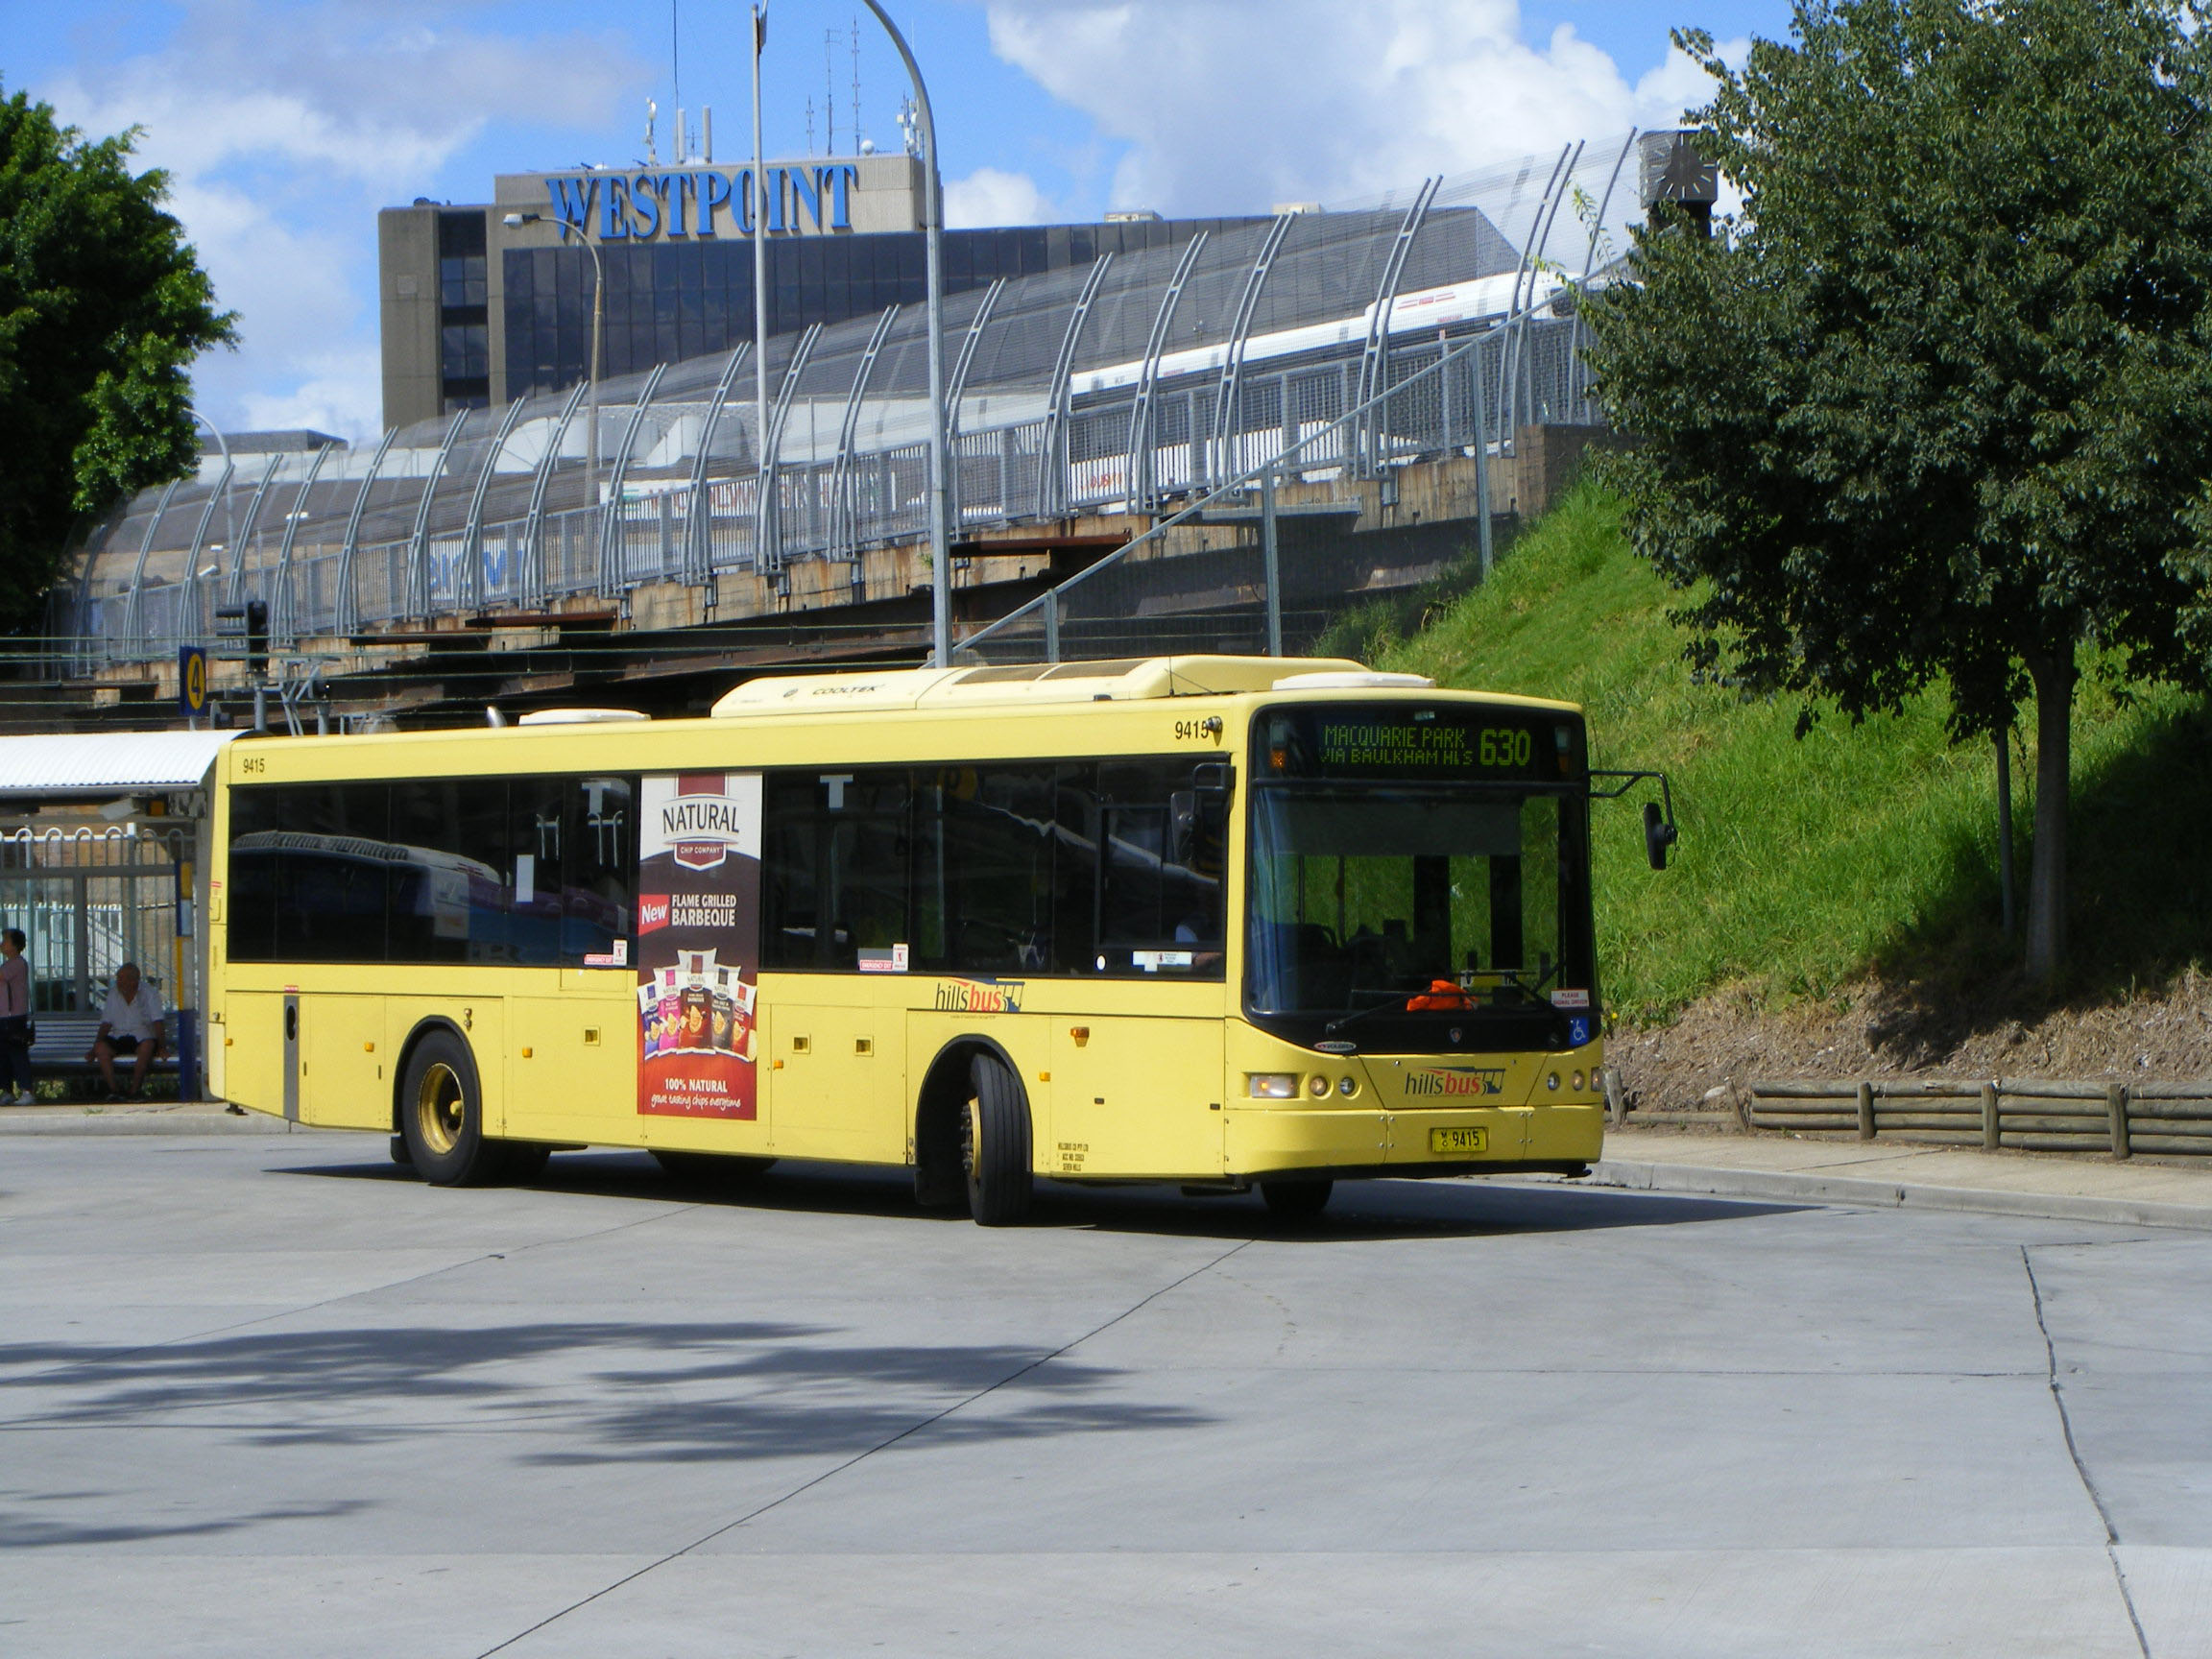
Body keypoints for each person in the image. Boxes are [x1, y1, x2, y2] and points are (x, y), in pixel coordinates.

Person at [89, 962, 165, 1101]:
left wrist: (162, 1047)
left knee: (147, 1046)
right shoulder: (113, 994)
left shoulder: (149, 993)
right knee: (100, 1048)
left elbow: (158, 1022)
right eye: (118, 978)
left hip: (142, 1037)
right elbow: (106, 1023)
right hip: (119, 1037)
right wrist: (94, 1047)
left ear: (133, 980)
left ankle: (134, 1091)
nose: (118, 982)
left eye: (121, 978)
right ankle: (114, 1091)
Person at [0, 928, 32, 1104]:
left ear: (14, 945)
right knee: (3, 1055)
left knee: (17, 1053)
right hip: (3, 1016)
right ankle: (7, 1090)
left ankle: (26, 1090)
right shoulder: (7, 964)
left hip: (14, 1016)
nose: (2, 943)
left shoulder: (17, 963)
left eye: (6, 940)